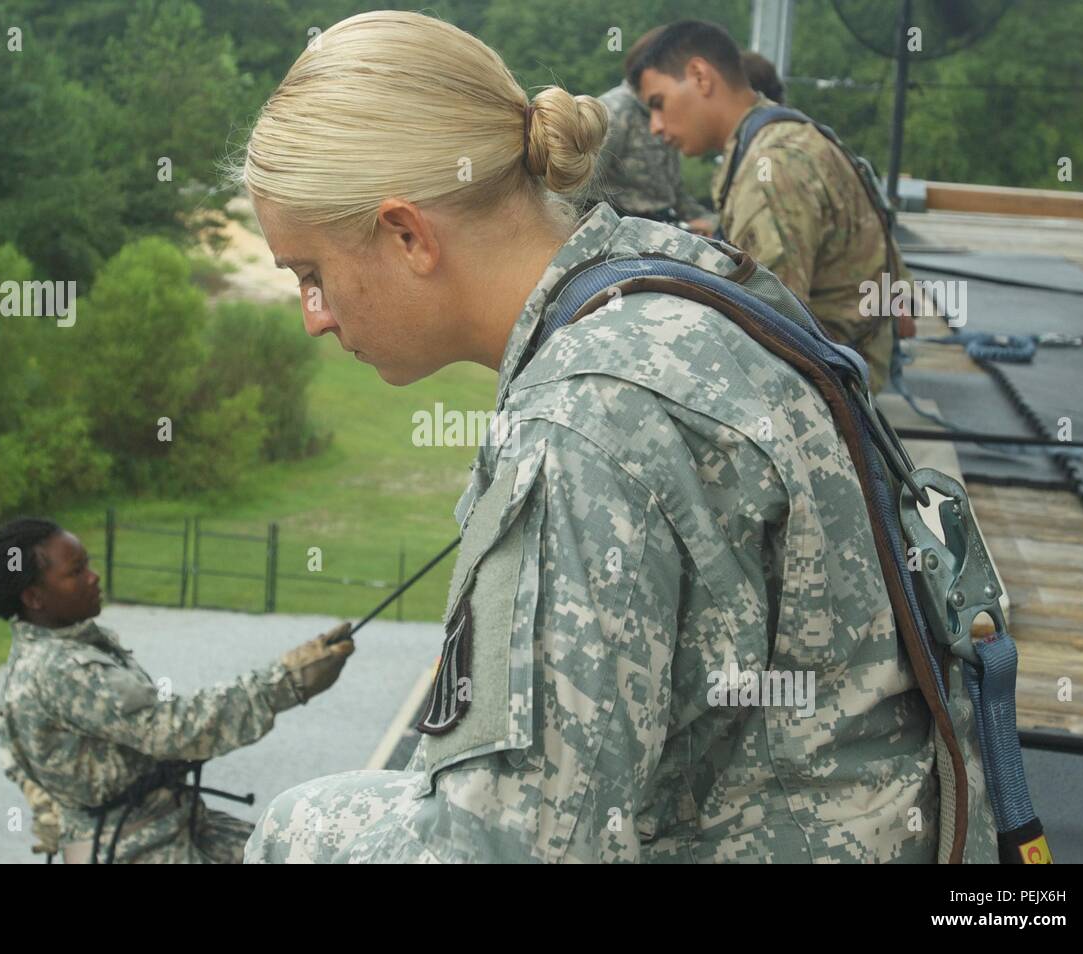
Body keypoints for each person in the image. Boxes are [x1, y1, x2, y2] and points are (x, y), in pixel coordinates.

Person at [240, 9, 937, 863]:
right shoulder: (665, 276)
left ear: (406, 234)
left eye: (311, 274)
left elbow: (513, 849)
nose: (313, 317)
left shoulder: (580, 427)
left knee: (295, 827)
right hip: (859, 819)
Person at [0, 517, 354, 863]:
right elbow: (174, 729)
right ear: (34, 598)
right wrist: (288, 681)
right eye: (77, 571)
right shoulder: (62, 669)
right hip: (134, 847)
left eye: (88, 563)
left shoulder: (64, 648)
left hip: (170, 823)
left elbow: (12, 731)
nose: (94, 577)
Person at [632, 20, 904, 394]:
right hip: (845, 365)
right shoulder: (774, 136)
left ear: (699, 75)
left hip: (835, 390)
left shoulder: (768, 169)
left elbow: (773, 336)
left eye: (658, 104)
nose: (655, 127)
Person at [582, 27, 709, 228]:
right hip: (622, 232)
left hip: (663, 226)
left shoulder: (668, 111)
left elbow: (672, 190)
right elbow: (578, 185)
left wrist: (705, 221)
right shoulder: (615, 111)